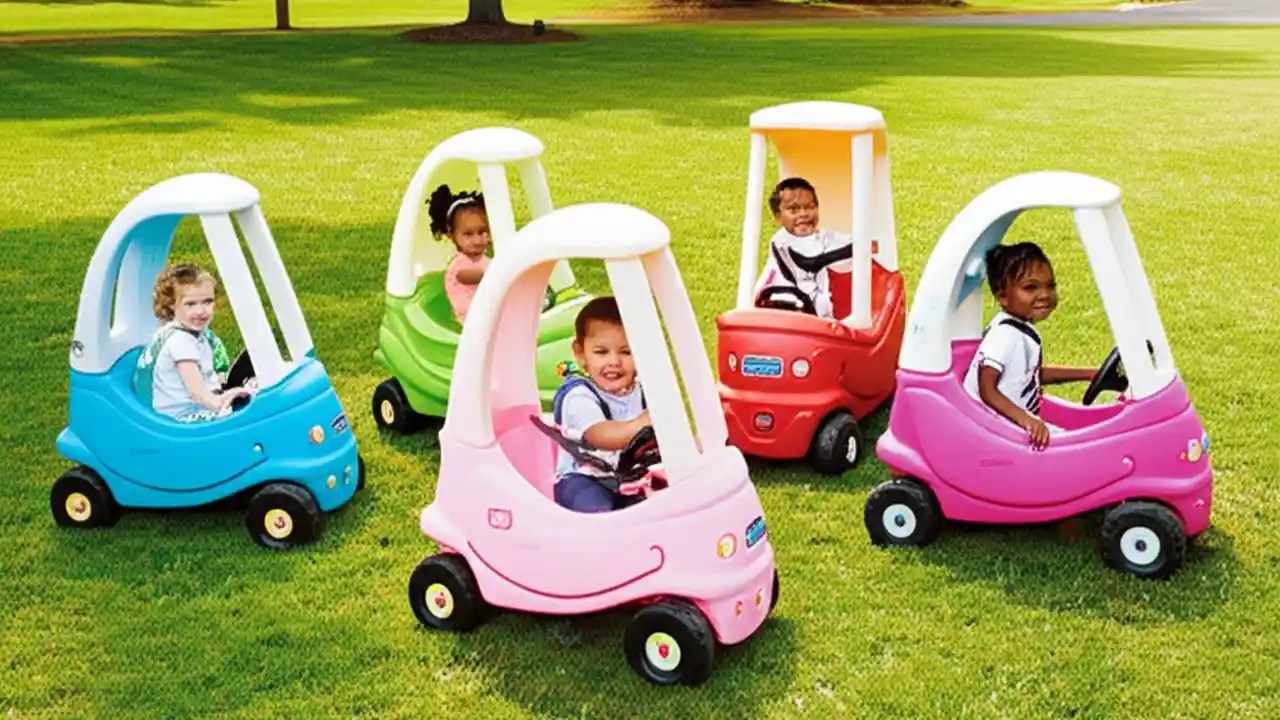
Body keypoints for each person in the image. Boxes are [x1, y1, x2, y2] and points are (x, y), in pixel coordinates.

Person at [962, 242, 1096, 450]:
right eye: (1030, 288)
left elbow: (1031, 375)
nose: (1044, 295)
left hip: (1008, 424)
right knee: (1079, 446)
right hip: (996, 431)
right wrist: (1026, 420)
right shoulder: (1005, 335)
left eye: (1050, 286)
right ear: (1002, 296)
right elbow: (986, 389)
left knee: (1076, 438)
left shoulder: (1019, 328)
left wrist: (1088, 374)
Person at [552, 297, 651, 513]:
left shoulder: (644, 390)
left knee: (661, 505)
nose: (614, 361)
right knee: (597, 509)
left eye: (626, 352)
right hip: (583, 478)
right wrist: (646, 422)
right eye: (601, 352)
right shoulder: (579, 395)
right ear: (580, 353)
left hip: (632, 478)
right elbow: (601, 436)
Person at [134, 264, 253, 422]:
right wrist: (222, 403)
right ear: (172, 304)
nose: (201, 311)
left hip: (188, 407)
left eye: (207, 302)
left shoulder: (177, 331)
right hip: (181, 417)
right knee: (249, 417)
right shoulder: (181, 342)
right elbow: (199, 394)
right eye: (191, 304)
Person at [754, 177, 854, 319]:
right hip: (785, 305)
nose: (804, 214)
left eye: (810, 207)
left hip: (817, 310)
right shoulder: (781, 242)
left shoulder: (825, 236)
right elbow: (810, 261)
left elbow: (852, 243)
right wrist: (848, 251)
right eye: (794, 210)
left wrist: (865, 245)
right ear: (778, 217)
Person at [428, 184, 491, 324]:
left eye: (482, 232)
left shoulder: (483, 259)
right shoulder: (460, 265)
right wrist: (503, 271)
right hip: (470, 319)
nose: (477, 239)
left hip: (486, 312)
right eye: (468, 234)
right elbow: (473, 276)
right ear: (452, 236)